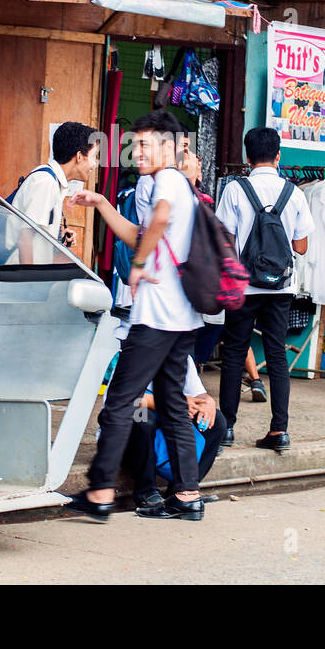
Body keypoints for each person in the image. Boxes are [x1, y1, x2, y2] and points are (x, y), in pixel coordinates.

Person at [63, 110, 205, 521]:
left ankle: (101, 492)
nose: (136, 152)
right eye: (134, 144)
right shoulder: (177, 185)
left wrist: (140, 265)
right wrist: (102, 203)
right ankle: (187, 496)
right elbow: (141, 234)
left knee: (119, 403)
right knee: (174, 406)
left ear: (170, 146)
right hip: (181, 320)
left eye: (144, 144)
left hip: (157, 319)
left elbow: (156, 225)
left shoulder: (166, 180)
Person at [215, 127, 314, 452]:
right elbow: (300, 247)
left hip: (243, 286)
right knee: (276, 356)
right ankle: (279, 431)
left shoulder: (234, 190)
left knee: (232, 353)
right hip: (282, 287)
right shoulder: (294, 193)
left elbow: (225, 241)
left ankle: (227, 428)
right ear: (278, 156)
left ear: (247, 156)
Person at [120, 356, 226, 510]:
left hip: (165, 426)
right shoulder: (133, 353)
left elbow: (199, 394)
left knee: (216, 421)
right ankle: (146, 491)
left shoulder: (181, 356)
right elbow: (125, 399)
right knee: (142, 417)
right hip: (126, 439)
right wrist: (174, 403)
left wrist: (208, 402)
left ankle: (183, 491)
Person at [10, 121, 99, 249]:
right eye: (93, 156)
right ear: (79, 156)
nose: (94, 164)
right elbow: (25, 238)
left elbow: (35, 232)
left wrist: (58, 236)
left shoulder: (52, 180)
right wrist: (29, 270)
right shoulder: (46, 182)